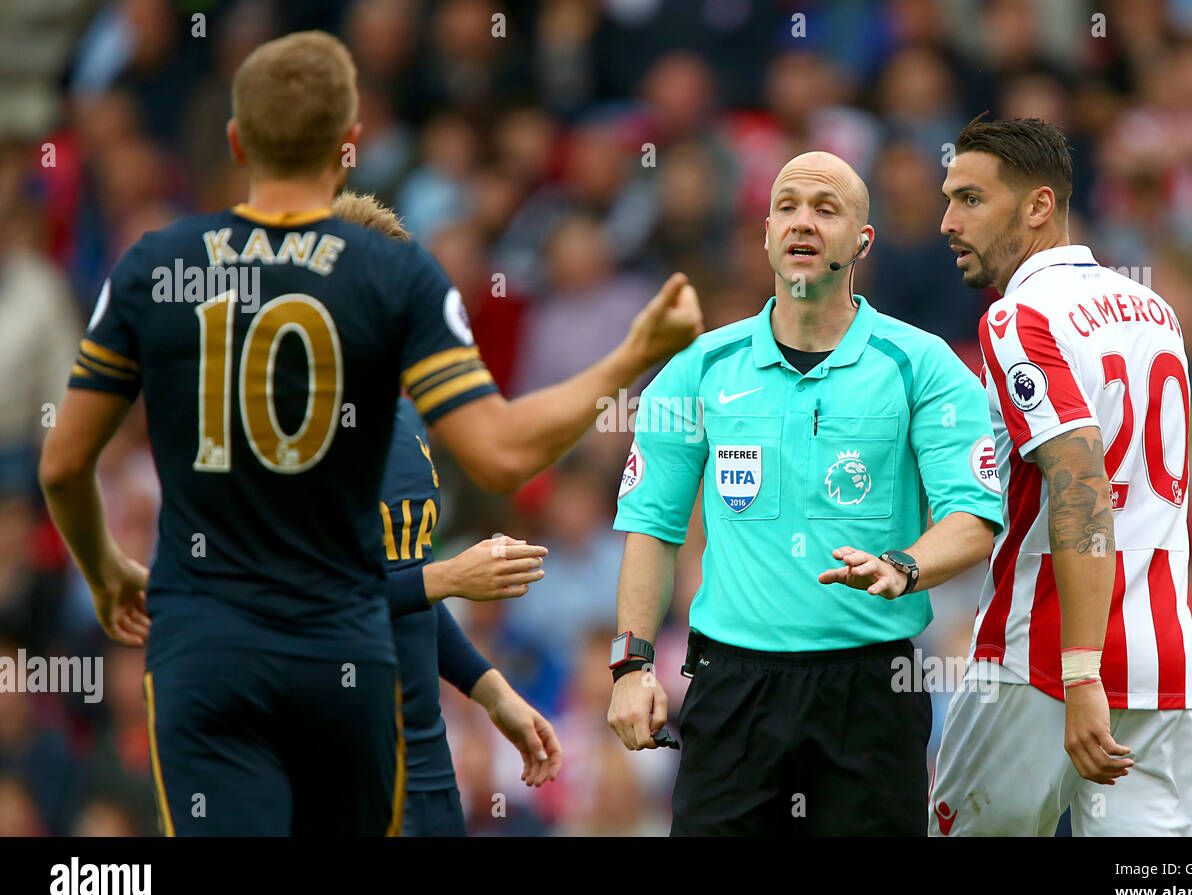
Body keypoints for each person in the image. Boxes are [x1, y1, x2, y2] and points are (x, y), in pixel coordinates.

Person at [38, 32, 700, 836]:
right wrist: (630, 356)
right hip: (337, 675)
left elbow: (65, 462)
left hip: (210, 662)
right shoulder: (391, 282)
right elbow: (501, 454)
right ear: (349, 146)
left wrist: (104, 568)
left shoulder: (155, 266)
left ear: (237, 141)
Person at [606, 150, 1004, 836]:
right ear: (765, 235)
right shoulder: (695, 368)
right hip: (731, 690)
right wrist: (632, 665)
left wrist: (905, 565)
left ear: (862, 241)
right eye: (787, 206)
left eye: (827, 209)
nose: (803, 221)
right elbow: (653, 527)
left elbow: (973, 515)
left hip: (872, 691)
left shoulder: (924, 365)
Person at [331, 190, 702, 836]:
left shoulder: (409, 416)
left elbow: (402, 589)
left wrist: (492, 690)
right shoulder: (302, 430)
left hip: (426, 756)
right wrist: (451, 577)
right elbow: (315, 594)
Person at [929, 116, 1192, 836]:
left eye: (969, 199)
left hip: (1044, 652)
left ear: (1038, 206)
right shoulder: (1157, 312)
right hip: (1159, 654)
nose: (946, 221)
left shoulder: (1018, 318)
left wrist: (1081, 667)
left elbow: (1081, 477)